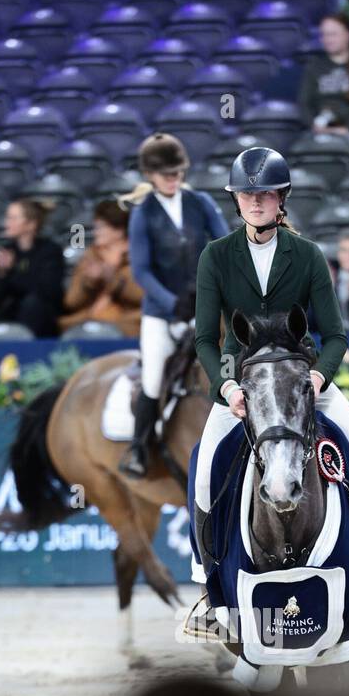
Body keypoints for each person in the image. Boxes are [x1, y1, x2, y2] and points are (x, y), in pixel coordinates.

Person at [193, 145, 349, 615]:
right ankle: (209, 592)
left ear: (281, 198)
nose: (255, 201)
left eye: (265, 194)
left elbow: (336, 336)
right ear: (236, 200)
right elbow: (204, 340)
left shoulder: (307, 255)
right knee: (202, 475)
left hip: (302, 379)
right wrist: (227, 387)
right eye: (246, 194)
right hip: (242, 382)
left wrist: (319, 377)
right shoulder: (216, 256)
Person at [119, 133, 228, 480]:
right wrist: (173, 303)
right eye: (166, 174)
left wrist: (214, 288)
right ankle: (139, 449)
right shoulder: (143, 214)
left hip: (206, 307)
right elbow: (141, 271)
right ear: (151, 175)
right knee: (153, 378)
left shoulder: (200, 202)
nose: (173, 178)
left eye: (178, 172)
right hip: (163, 314)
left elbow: (224, 245)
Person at [298, 12, 349, 162]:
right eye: (324, 35)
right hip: (320, 129)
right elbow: (304, 102)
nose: (327, 39)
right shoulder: (314, 66)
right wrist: (315, 126)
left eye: (333, 34)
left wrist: (347, 128)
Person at [58, 198, 142, 337]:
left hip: (129, 321)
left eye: (100, 227)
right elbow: (71, 302)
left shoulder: (139, 255)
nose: (96, 232)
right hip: (91, 318)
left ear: (119, 231)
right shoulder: (91, 256)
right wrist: (89, 282)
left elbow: (143, 297)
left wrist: (113, 278)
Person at [0, 198, 64, 338]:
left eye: (13, 218)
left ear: (31, 224)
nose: (6, 223)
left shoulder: (50, 251)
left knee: (32, 304)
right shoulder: (5, 253)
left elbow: (48, 292)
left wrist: (12, 273)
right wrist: (1, 274)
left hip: (42, 324)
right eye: (7, 218)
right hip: (10, 319)